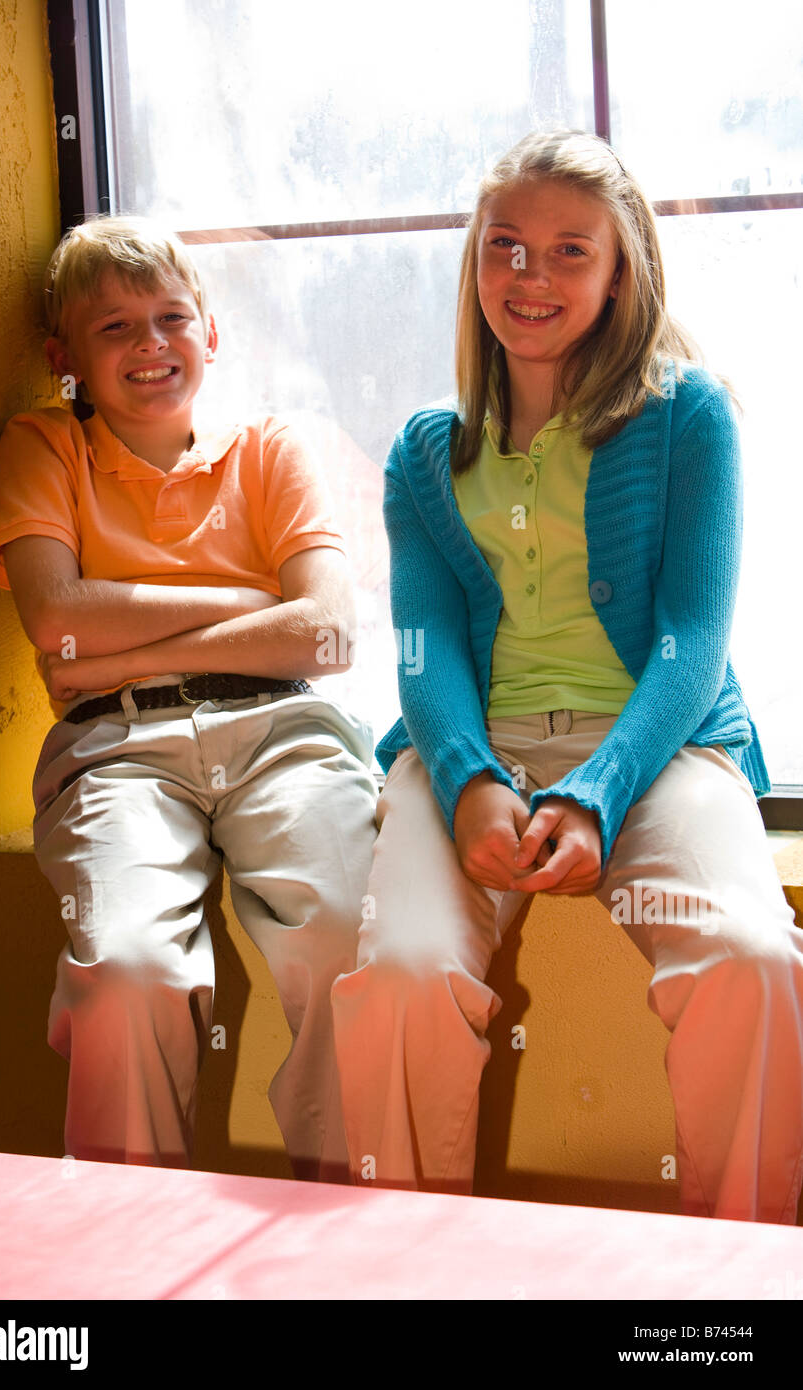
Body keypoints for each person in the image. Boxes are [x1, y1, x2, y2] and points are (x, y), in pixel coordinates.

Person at [331, 130, 803, 1223]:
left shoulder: (689, 416)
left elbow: (690, 640)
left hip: (656, 747)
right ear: (473, 263)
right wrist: (465, 778)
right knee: (402, 976)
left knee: (745, 959)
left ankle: (747, 1276)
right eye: (504, 247)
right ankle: (405, 1272)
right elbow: (422, 648)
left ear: (621, 266)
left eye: (566, 252)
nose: (527, 277)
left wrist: (593, 793)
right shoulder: (423, 450)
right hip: (470, 747)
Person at [0, 215, 378, 1180]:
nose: (151, 344)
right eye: (115, 328)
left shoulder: (274, 448)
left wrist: (107, 643)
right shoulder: (43, 447)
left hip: (284, 729)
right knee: (127, 974)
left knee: (352, 944)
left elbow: (325, 633)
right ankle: (123, 1263)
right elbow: (53, 620)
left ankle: (355, 1241)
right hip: (117, 748)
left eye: (170, 317)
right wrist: (249, 601)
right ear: (63, 355)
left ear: (210, 330)